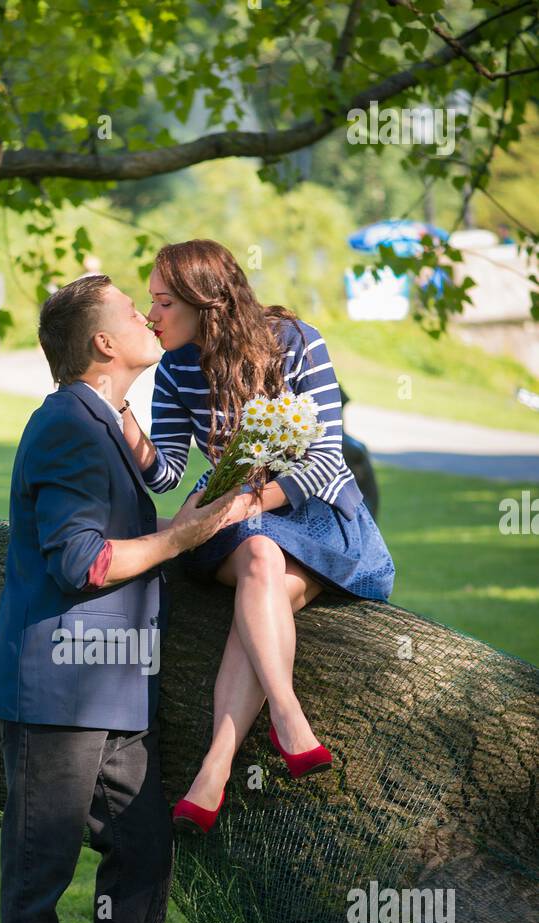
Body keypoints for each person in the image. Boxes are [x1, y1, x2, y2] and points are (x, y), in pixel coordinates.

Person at [0, 273, 255, 923]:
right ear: (102, 343)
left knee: (140, 855)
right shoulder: (66, 423)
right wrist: (189, 535)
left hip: (116, 690)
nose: (147, 315)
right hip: (57, 692)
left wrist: (198, 516)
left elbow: (121, 541)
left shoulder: (100, 423)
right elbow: (85, 562)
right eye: (131, 313)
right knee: (39, 874)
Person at [122, 239, 395, 832]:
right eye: (150, 303)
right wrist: (118, 406)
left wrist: (245, 504)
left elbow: (324, 460)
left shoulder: (294, 343)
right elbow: (167, 472)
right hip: (239, 530)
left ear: (205, 303)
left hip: (316, 517)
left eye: (164, 302)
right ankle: (288, 715)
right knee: (259, 555)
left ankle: (214, 769)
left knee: (260, 576)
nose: (152, 315)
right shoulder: (173, 368)